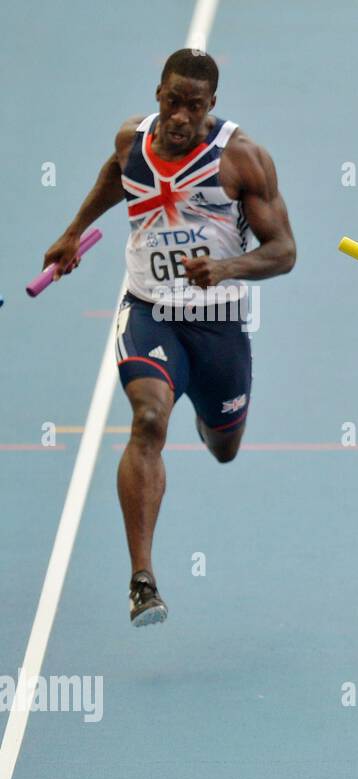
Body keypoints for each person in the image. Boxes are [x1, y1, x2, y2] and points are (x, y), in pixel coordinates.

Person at [42, 48, 296, 626]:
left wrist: (227, 268)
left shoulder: (242, 159)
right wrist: (73, 231)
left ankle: (213, 417)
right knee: (149, 420)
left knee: (225, 447)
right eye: (173, 101)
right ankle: (143, 580)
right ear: (158, 94)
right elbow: (117, 176)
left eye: (196, 106)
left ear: (212, 107)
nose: (182, 116)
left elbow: (285, 253)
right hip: (149, 311)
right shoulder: (132, 140)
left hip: (220, 322)